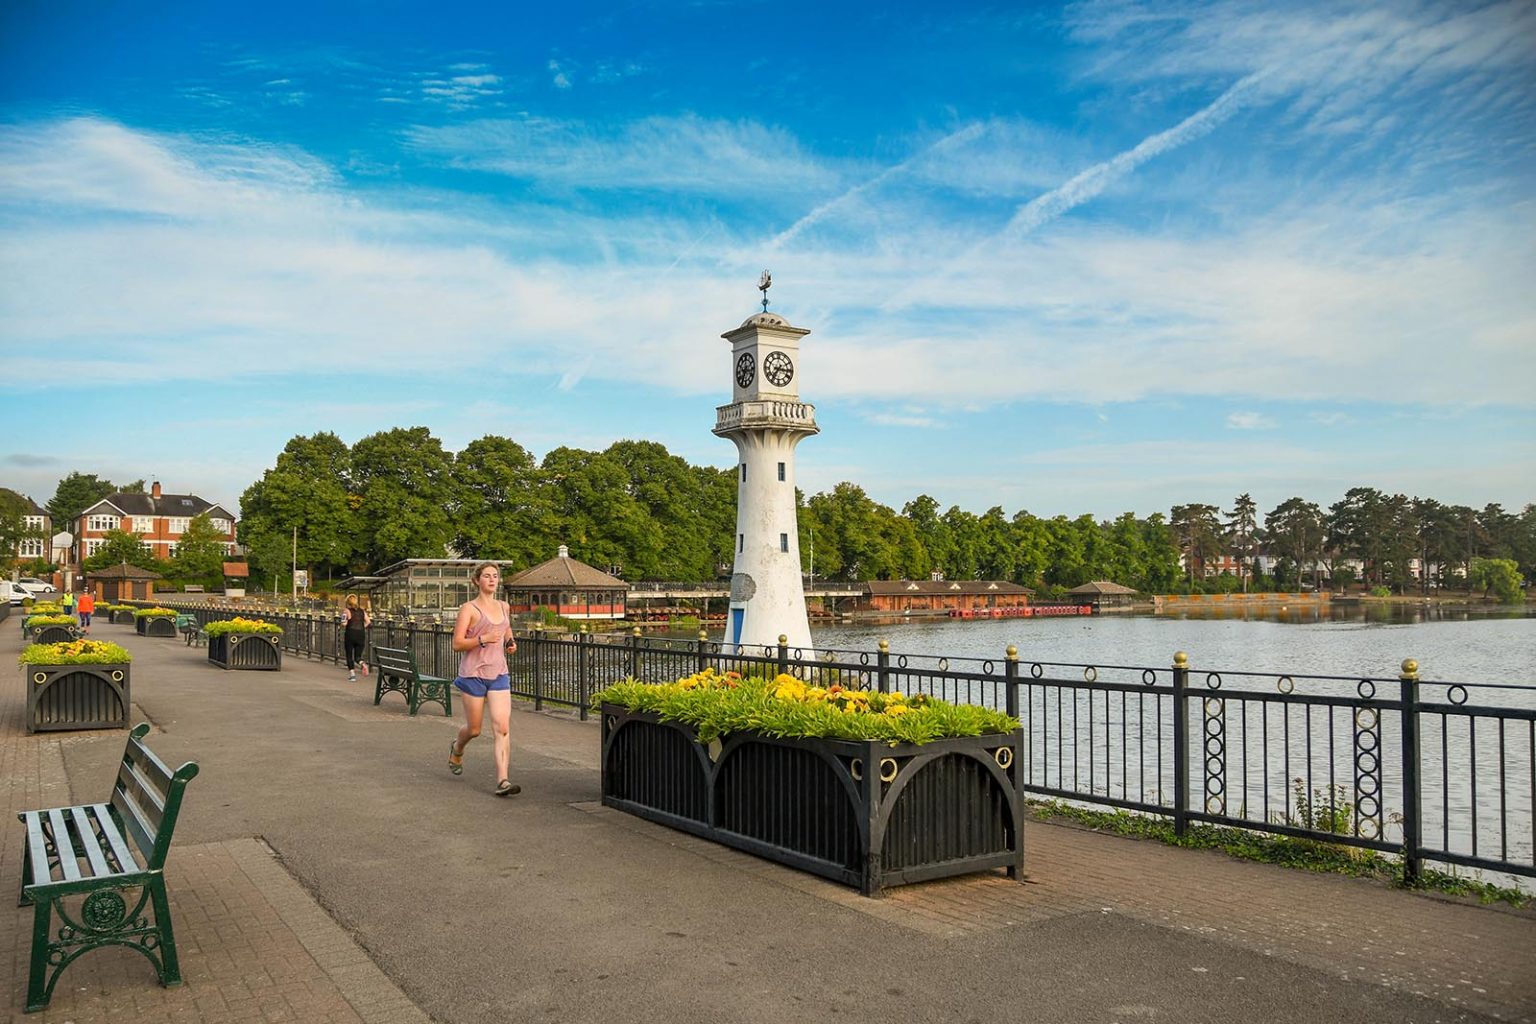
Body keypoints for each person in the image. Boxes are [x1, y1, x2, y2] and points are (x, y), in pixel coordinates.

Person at [446, 562, 520, 796]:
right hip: (473, 675)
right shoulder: (469, 609)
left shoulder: (504, 606)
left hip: (499, 673)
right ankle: (457, 748)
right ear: (477, 580)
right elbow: (457, 644)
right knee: (475, 729)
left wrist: (510, 642)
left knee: (502, 727)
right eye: (487, 576)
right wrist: (482, 639)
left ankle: (503, 780)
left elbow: (506, 628)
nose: (492, 579)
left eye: (495, 576)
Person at [341, 595, 372, 682]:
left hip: (350, 634)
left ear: (348, 603)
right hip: (361, 634)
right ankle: (362, 663)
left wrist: (344, 623)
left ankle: (353, 675)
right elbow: (368, 621)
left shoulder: (346, 611)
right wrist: (362, 627)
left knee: (349, 655)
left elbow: (343, 623)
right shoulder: (362, 611)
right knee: (357, 656)